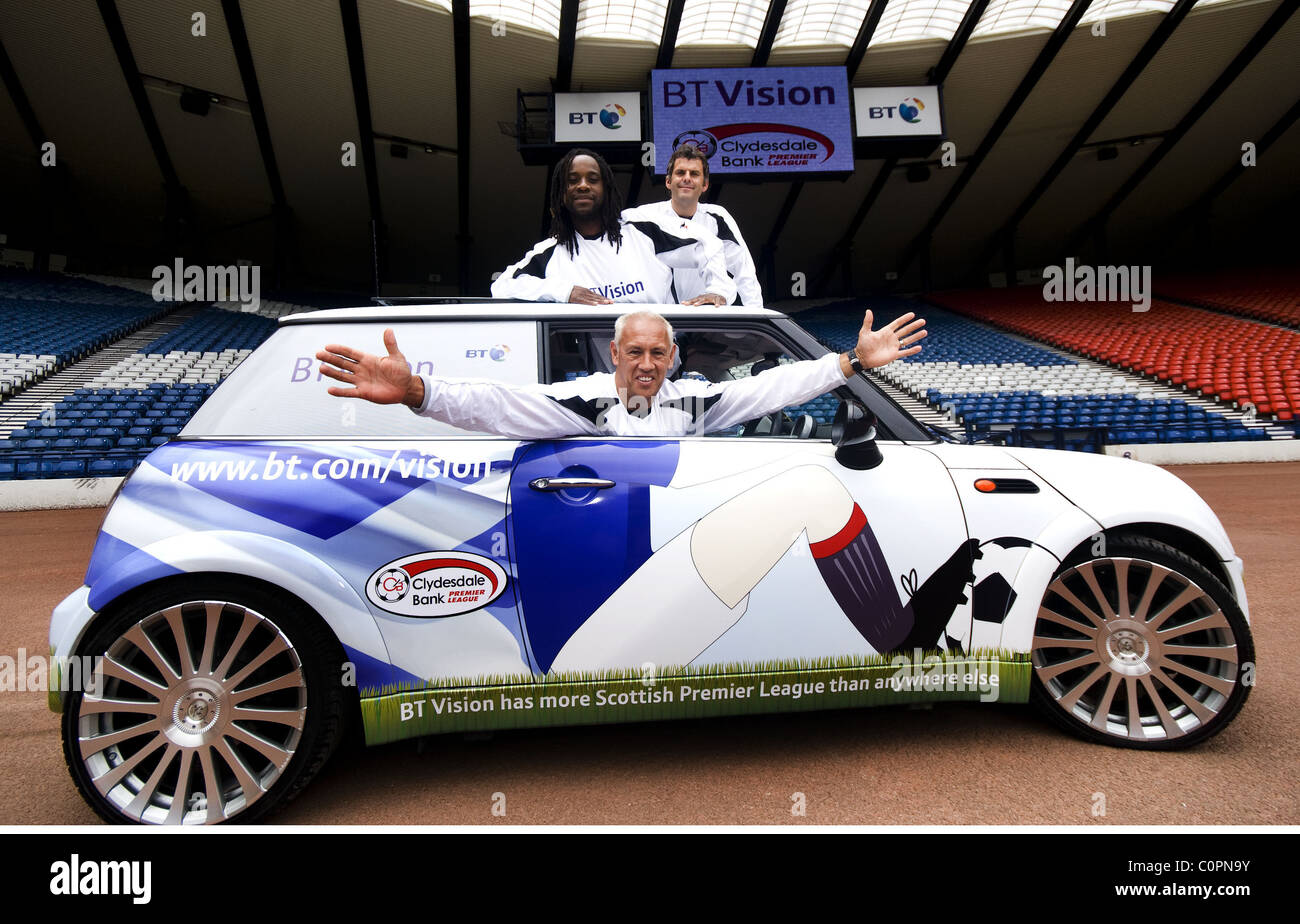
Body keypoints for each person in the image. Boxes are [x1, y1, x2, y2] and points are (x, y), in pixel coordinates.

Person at [316, 308, 926, 439]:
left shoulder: (692, 402)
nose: (647, 365)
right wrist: (416, 391)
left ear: (671, 357)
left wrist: (847, 363)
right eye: (634, 353)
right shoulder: (582, 401)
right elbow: (498, 404)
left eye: (658, 354)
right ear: (615, 355)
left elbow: (766, 387)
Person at [490, 148, 735, 307]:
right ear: (560, 193)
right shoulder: (551, 251)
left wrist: (719, 291)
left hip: (662, 376)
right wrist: (565, 291)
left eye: (593, 179)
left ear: (607, 188)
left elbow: (707, 243)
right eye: (572, 180)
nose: (583, 186)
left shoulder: (643, 229)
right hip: (596, 382)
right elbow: (501, 286)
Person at [622, 143, 763, 307]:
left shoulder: (718, 217)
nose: (687, 178)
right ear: (668, 181)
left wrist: (757, 319)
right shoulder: (644, 216)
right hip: (661, 317)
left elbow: (744, 271)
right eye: (680, 172)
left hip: (704, 316)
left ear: (705, 185)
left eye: (694, 174)